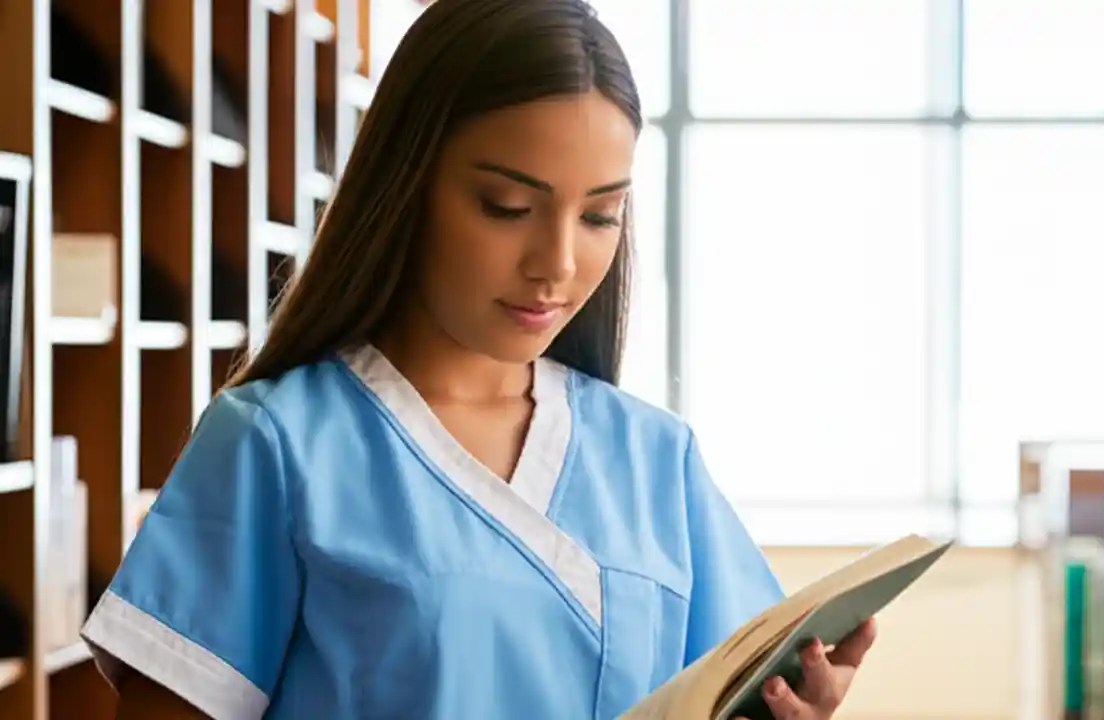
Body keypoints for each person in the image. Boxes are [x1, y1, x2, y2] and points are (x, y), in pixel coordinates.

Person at [81, 1, 877, 718]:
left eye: (601, 215)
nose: (558, 263)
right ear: (408, 183)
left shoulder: (655, 460)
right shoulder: (277, 444)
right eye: (508, 208)